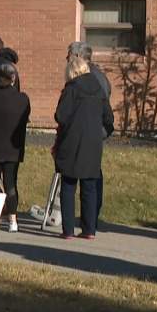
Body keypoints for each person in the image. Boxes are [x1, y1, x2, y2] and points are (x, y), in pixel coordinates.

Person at [54, 56, 115, 239]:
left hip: (72, 141)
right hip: (93, 143)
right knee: (89, 186)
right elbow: (109, 119)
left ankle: (68, 230)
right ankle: (89, 229)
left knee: (68, 185)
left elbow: (61, 116)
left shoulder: (71, 89)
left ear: (71, 72)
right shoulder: (99, 90)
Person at [0, 63, 31, 232]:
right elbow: (25, 119)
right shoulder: (23, 99)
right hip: (13, 148)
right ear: (13, 78)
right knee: (10, 183)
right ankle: (13, 220)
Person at [67, 41, 112, 218]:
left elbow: (102, 108)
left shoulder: (90, 78)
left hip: (90, 131)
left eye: (69, 54)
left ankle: (90, 216)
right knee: (92, 172)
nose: (66, 59)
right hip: (94, 130)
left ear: (77, 56)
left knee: (89, 175)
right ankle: (90, 216)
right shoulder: (97, 75)